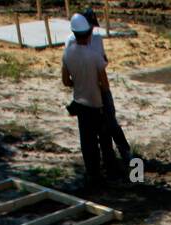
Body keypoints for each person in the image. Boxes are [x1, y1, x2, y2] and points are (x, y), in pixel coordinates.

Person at [64, 7, 133, 171]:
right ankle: (111, 163)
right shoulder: (72, 43)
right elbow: (99, 68)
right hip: (94, 93)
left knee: (106, 127)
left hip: (87, 94)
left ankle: (118, 157)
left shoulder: (92, 40)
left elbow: (68, 76)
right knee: (102, 129)